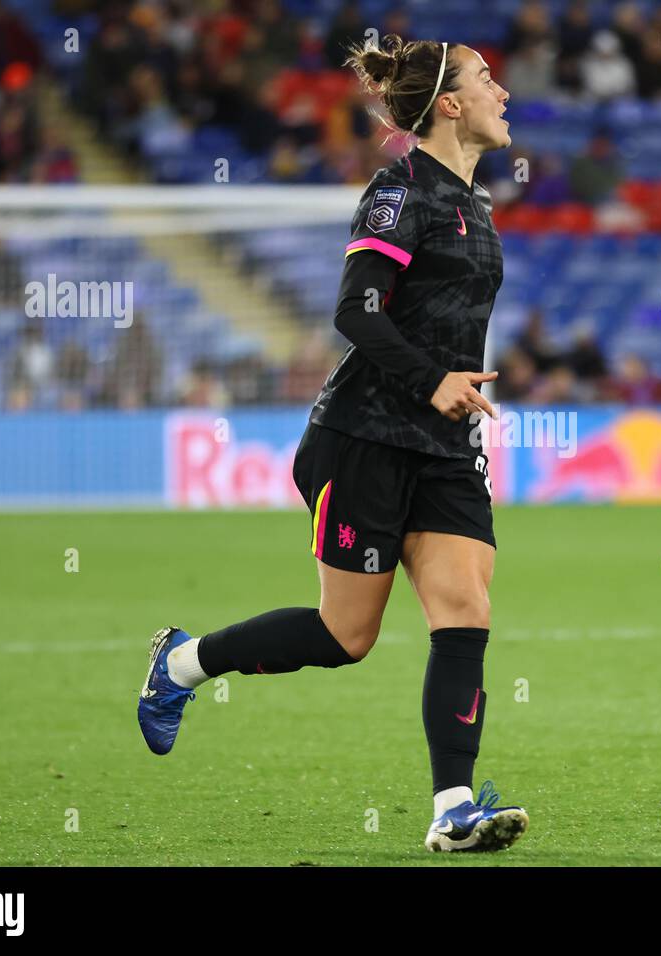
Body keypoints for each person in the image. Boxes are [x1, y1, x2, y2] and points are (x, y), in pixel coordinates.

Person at [136, 34, 528, 854]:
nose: (503, 91)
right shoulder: (399, 191)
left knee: (466, 608)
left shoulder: (480, 204)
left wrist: (447, 396)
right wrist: (432, 380)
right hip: (364, 437)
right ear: (448, 104)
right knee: (346, 637)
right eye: (487, 80)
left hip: (445, 443)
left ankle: (453, 809)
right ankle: (181, 664)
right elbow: (357, 311)